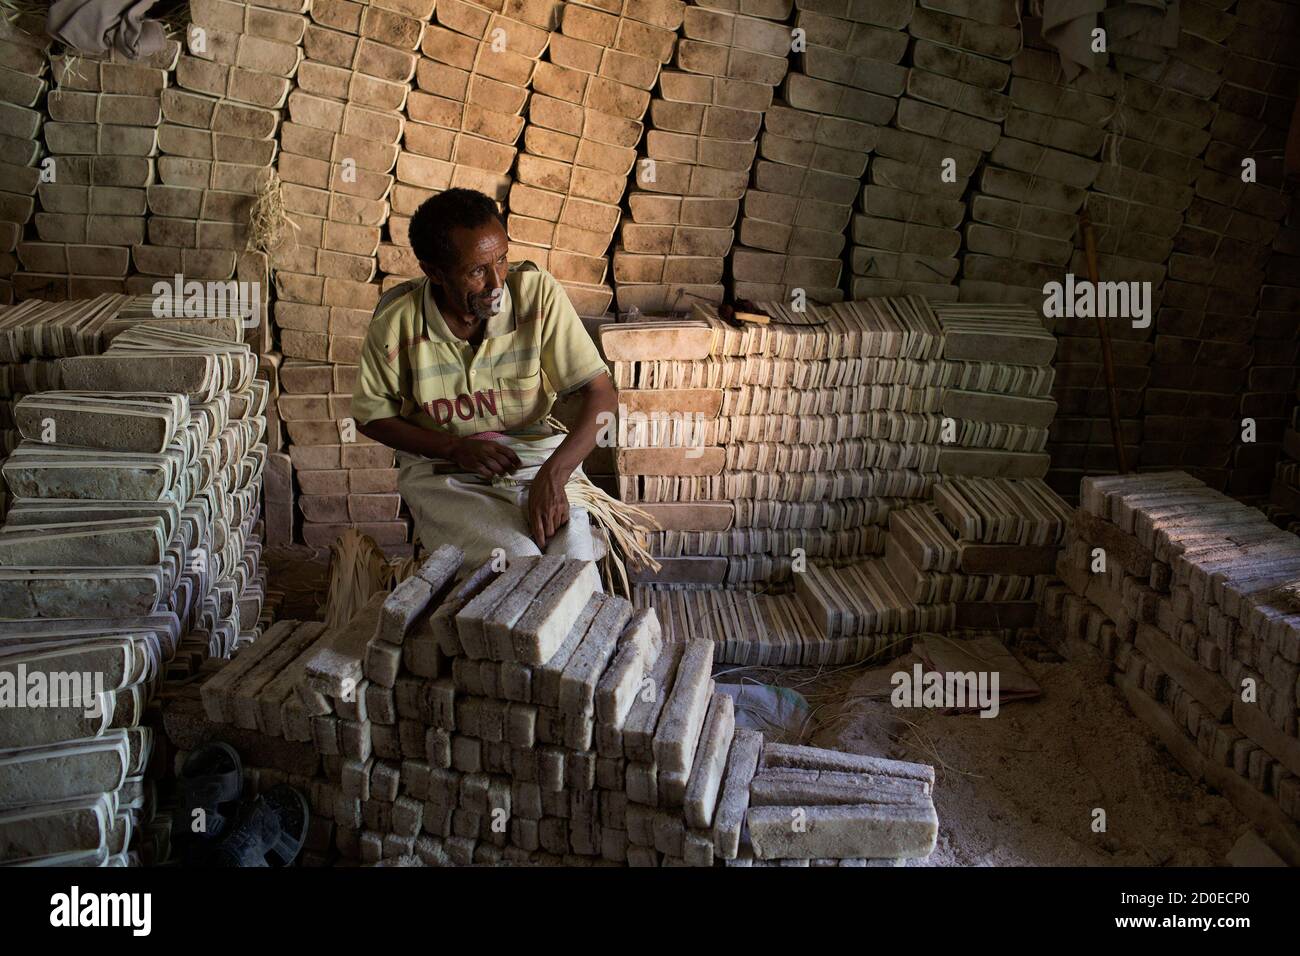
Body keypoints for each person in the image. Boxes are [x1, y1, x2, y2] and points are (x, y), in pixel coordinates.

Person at [351, 188, 619, 570]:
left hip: (538, 459)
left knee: (573, 558)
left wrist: (554, 475)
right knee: (515, 560)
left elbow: (601, 394)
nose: (497, 283)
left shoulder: (535, 294)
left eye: (502, 260)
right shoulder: (397, 322)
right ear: (434, 272)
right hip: (446, 474)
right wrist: (452, 448)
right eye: (477, 271)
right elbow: (370, 416)